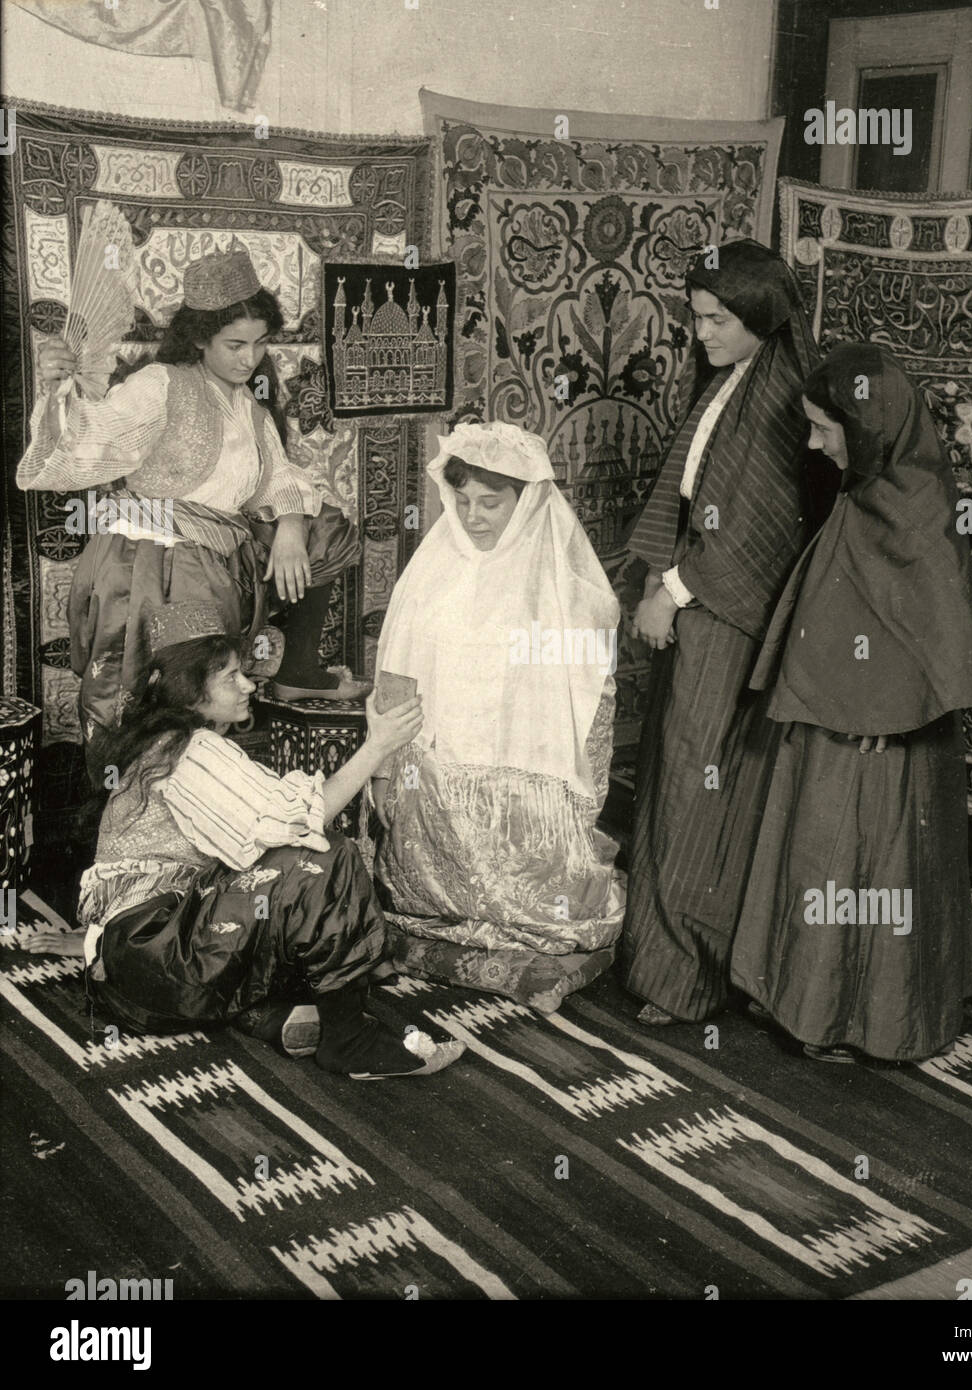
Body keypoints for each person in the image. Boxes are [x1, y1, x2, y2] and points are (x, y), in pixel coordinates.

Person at [17, 240, 368, 781]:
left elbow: (277, 477)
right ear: (200, 337)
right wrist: (58, 391)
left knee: (329, 530)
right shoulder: (162, 385)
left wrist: (293, 526)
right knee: (173, 704)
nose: (249, 359)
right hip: (156, 563)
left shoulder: (248, 405)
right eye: (234, 345)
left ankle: (296, 670)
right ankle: (142, 814)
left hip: (219, 559)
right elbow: (91, 438)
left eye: (258, 344)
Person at [74, 601, 462, 1080]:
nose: (249, 686)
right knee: (324, 856)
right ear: (190, 689)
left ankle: (266, 1017)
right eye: (231, 677)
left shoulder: (163, 742)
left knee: (278, 878)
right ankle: (349, 1041)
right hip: (156, 953)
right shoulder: (188, 750)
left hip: (134, 981)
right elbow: (303, 819)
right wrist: (377, 746)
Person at [729, 342, 972, 1062]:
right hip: (837, 718)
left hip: (883, 736)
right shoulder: (863, 487)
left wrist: (889, 713)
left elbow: (934, 628)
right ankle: (798, 992)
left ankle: (859, 1016)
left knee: (864, 862)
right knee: (820, 849)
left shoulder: (913, 506)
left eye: (822, 428)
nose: (812, 443)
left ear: (866, 425)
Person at [620, 239, 820, 1025]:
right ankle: (678, 962)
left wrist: (670, 591)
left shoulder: (778, 396)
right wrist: (653, 578)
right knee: (682, 774)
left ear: (758, 319)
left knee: (695, 782)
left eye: (713, 320)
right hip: (704, 602)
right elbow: (691, 490)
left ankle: (682, 978)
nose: (698, 333)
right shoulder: (736, 380)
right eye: (695, 318)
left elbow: (752, 532)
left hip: (727, 612)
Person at [372, 421, 624, 1001]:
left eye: (491, 502)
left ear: (527, 499)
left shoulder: (563, 583)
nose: (473, 516)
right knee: (426, 885)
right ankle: (445, 911)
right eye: (462, 501)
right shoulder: (433, 571)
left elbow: (593, 695)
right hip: (438, 762)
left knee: (543, 892)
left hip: (528, 771)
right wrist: (385, 771)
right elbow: (396, 673)